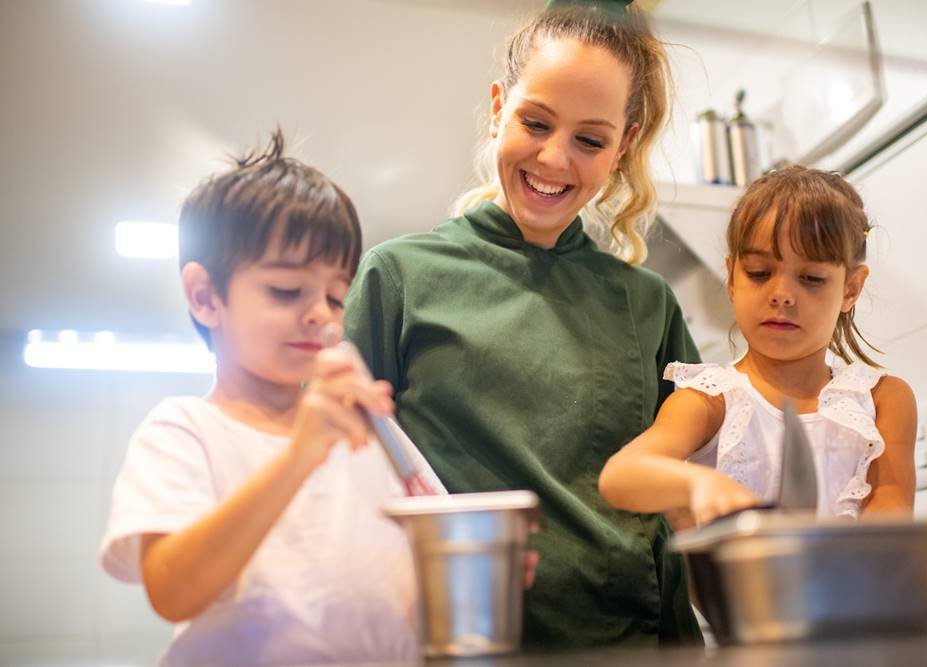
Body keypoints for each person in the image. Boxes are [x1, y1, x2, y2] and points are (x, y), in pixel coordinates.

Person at [344, 0, 703, 649]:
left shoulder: (651, 308)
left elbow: (676, 526)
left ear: (623, 145)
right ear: (496, 108)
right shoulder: (397, 280)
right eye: (535, 122)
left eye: (589, 139)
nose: (554, 158)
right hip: (452, 646)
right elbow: (341, 490)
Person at [99, 129, 445, 666]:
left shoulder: (371, 431)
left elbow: (431, 548)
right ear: (205, 296)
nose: (321, 314)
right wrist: (299, 455)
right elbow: (171, 590)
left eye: (335, 294)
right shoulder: (185, 431)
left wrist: (471, 567)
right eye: (286, 290)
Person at [599, 166, 917, 528]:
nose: (781, 295)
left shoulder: (882, 400)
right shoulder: (709, 400)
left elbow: (890, 525)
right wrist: (696, 484)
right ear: (732, 278)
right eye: (759, 273)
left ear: (850, 289)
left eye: (811, 278)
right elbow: (620, 477)